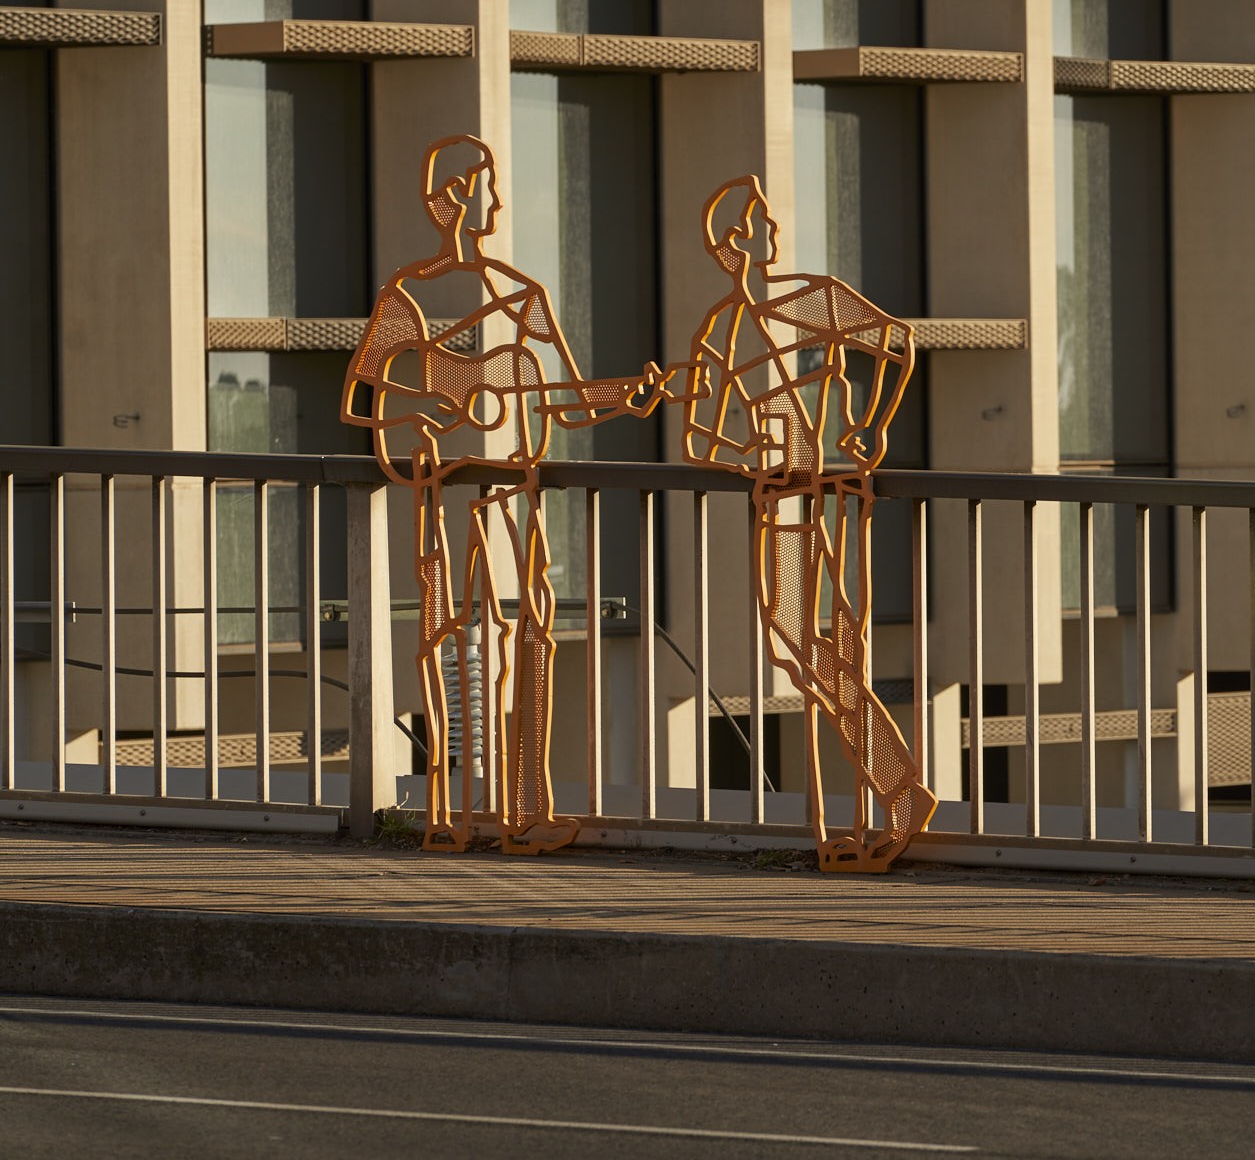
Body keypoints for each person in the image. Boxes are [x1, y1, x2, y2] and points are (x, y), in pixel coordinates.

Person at [343, 135, 691, 854]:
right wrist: (422, 407)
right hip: (444, 505)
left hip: (515, 502)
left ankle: (526, 807)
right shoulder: (408, 295)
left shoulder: (517, 291)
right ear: (450, 200)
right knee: (445, 646)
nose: (496, 200)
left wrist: (629, 397)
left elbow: (567, 402)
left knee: (529, 638)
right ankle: (449, 812)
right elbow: (361, 399)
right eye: (485, 187)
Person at [674, 175, 936, 872]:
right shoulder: (723, 330)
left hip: (834, 502)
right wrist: (746, 454)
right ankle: (882, 801)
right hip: (780, 508)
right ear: (736, 243)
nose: (773, 232)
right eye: (760, 222)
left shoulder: (809, 299)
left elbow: (894, 344)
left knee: (839, 652)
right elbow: (699, 438)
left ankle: (889, 801)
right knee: (801, 654)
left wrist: (866, 428)